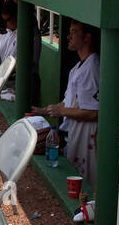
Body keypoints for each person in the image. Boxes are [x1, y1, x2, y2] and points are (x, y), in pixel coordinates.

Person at [31, 21, 99, 191]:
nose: (68, 36)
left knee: (88, 183)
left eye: (74, 32)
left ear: (87, 38)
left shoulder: (92, 66)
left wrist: (61, 111)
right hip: (75, 131)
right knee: (75, 179)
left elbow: (93, 112)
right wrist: (46, 110)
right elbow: (69, 102)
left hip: (88, 133)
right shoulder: (78, 66)